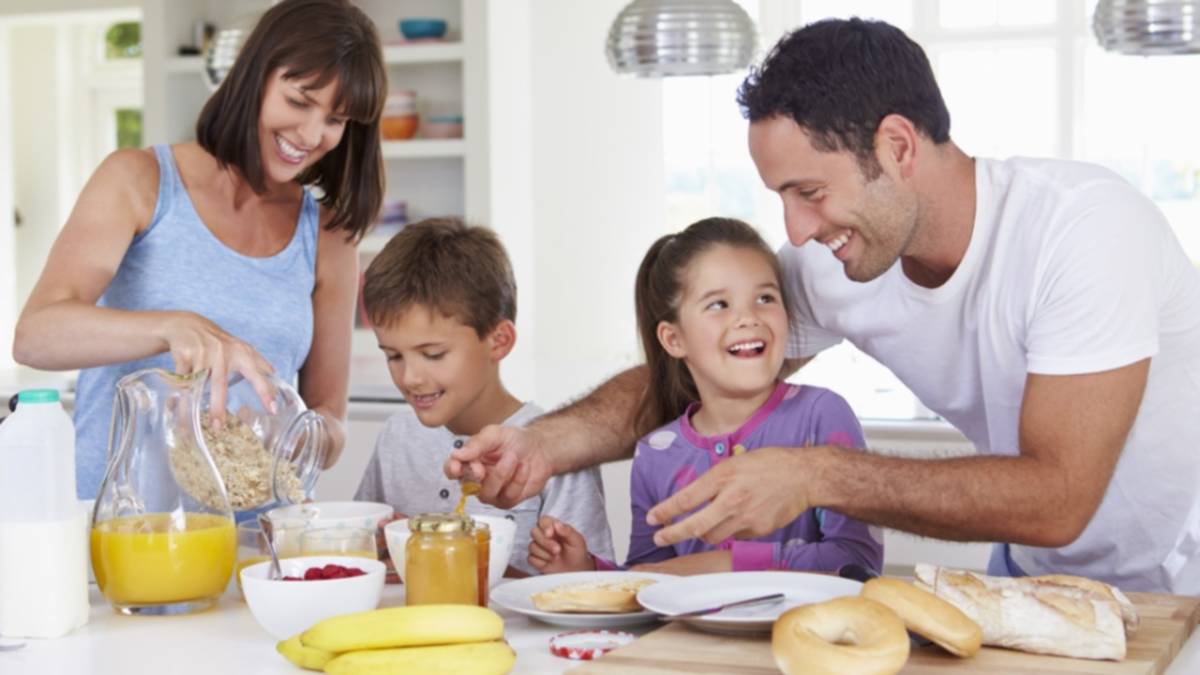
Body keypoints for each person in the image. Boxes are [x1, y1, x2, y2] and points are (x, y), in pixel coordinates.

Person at [449, 18, 1200, 594]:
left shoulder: (1083, 231)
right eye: (784, 198)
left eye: (809, 192)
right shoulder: (844, 253)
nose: (797, 231)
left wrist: (815, 474)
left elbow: (1058, 495)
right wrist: (543, 444)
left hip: (1178, 573)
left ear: (898, 147)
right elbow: (698, 369)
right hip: (1029, 573)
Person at [12, 0, 386, 499]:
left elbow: (330, 418)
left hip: (257, 549)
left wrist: (293, 437)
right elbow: (36, 336)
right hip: (123, 536)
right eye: (299, 102)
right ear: (255, 77)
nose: (313, 135)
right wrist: (174, 327)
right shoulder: (137, 181)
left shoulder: (329, 237)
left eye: (336, 120)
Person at [528, 217, 881, 576]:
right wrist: (589, 569)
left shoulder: (822, 416)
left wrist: (725, 564)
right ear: (673, 339)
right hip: (686, 636)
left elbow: (856, 562)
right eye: (718, 304)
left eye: (765, 298)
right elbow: (650, 577)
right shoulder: (656, 453)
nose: (748, 317)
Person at [353, 217, 614, 576]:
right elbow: (362, 557)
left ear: (499, 341)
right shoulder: (396, 438)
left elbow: (591, 590)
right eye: (393, 355)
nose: (410, 378)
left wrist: (447, 560)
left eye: (433, 354)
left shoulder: (555, 448)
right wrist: (377, 549)